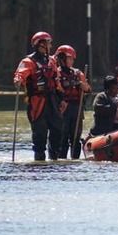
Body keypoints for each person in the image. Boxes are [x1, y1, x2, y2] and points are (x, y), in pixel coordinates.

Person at [13, 31, 64, 161]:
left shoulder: (51, 61)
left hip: (53, 101)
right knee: (40, 134)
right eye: (48, 43)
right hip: (37, 102)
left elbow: (56, 80)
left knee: (57, 130)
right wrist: (18, 81)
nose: (51, 46)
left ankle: (54, 158)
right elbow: (20, 74)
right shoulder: (28, 61)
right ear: (41, 45)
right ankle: (39, 160)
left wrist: (61, 98)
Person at [53, 45, 91, 159]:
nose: (71, 61)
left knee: (75, 137)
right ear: (61, 58)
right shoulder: (56, 73)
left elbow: (88, 89)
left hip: (76, 108)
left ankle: (75, 159)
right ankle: (61, 159)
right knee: (62, 136)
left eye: (72, 59)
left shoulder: (78, 74)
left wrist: (84, 86)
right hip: (63, 108)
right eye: (69, 58)